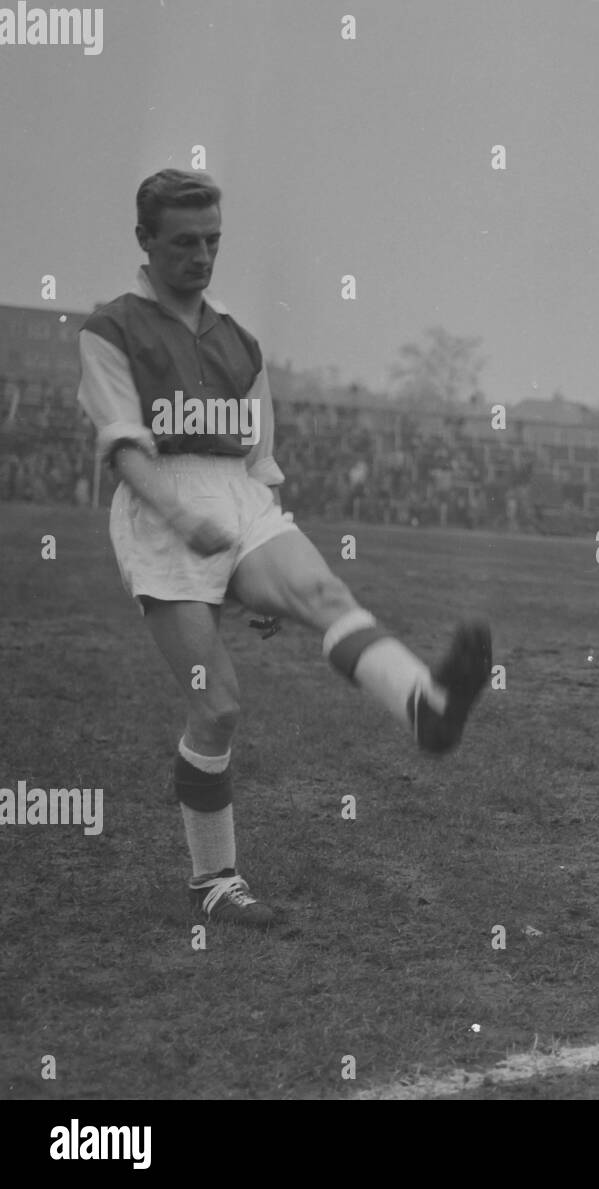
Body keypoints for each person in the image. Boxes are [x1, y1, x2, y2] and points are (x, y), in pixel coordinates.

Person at [76, 170, 491, 928]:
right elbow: (123, 449)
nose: (201, 256)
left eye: (212, 241)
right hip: (160, 514)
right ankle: (213, 881)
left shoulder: (240, 341)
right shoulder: (111, 331)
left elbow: (259, 458)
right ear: (144, 241)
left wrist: (251, 563)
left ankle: (427, 709)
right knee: (219, 704)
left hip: (239, 499)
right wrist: (181, 517)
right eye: (183, 242)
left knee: (326, 595)